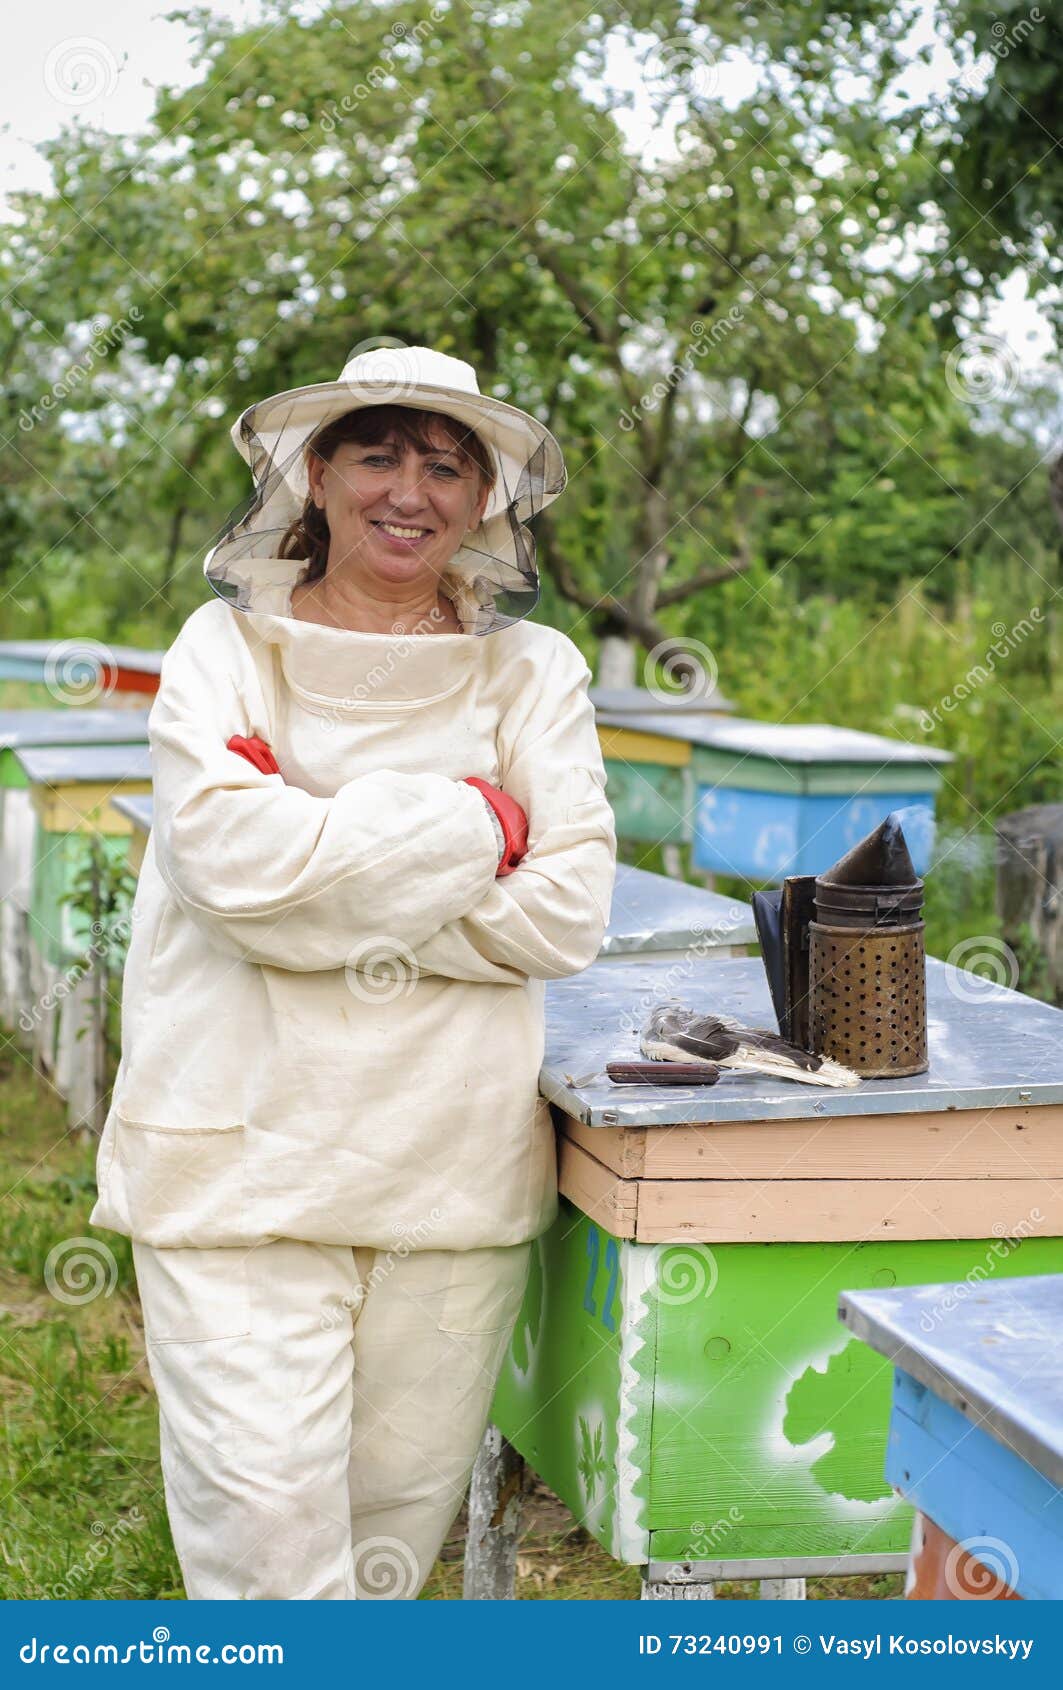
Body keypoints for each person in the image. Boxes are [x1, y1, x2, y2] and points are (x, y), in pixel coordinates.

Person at [89, 343, 617, 1600]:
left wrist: (312, 887)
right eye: (377, 452)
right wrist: (478, 828)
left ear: (485, 497)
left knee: (380, 1564)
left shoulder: (530, 672)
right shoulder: (225, 649)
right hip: (236, 1175)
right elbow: (227, 868)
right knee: (272, 1566)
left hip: (443, 1185)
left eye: (446, 464)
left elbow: (563, 915)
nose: (409, 491)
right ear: (314, 471)